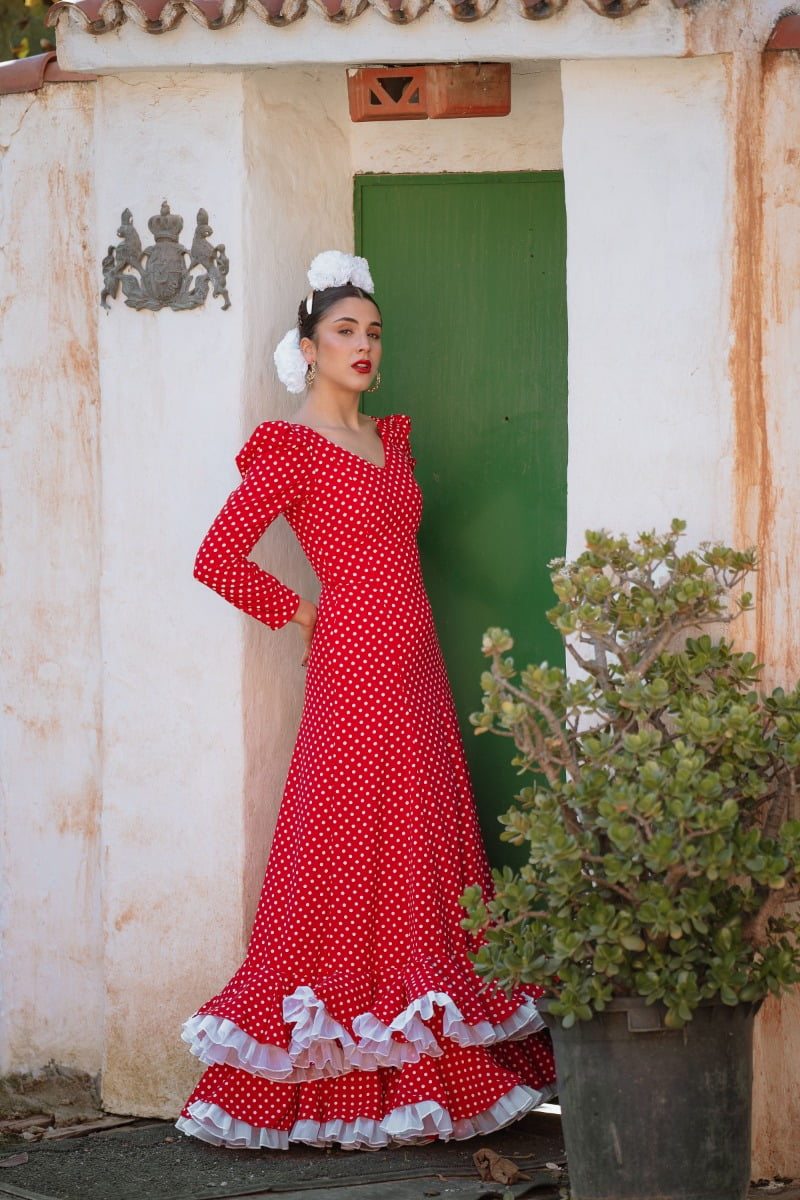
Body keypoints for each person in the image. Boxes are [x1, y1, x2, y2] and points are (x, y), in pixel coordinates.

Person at [177, 251, 557, 1150]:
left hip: (418, 669)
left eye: (374, 332)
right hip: (351, 670)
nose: (363, 345)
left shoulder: (392, 440)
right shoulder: (290, 447)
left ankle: (434, 1068)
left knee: (422, 837)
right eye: (345, 330)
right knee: (348, 843)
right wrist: (301, 611)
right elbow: (216, 555)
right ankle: (340, 1077)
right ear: (307, 346)